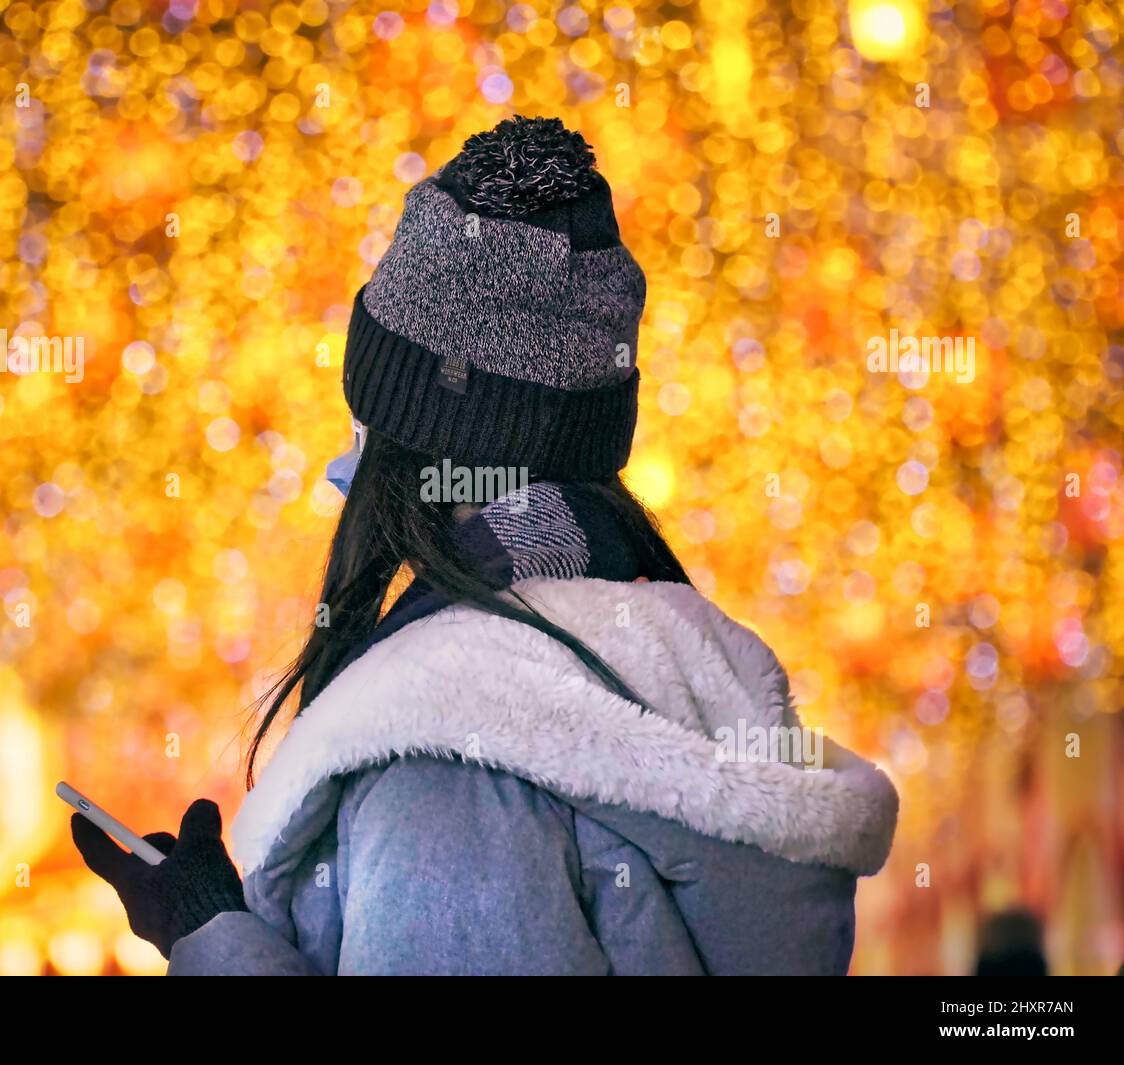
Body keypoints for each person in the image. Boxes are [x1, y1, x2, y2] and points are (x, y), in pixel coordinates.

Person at [72, 116, 899, 975]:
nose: (347, 458)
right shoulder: (682, 656)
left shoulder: (447, 752)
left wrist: (209, 939)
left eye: (367, 419)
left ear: (419, 442)